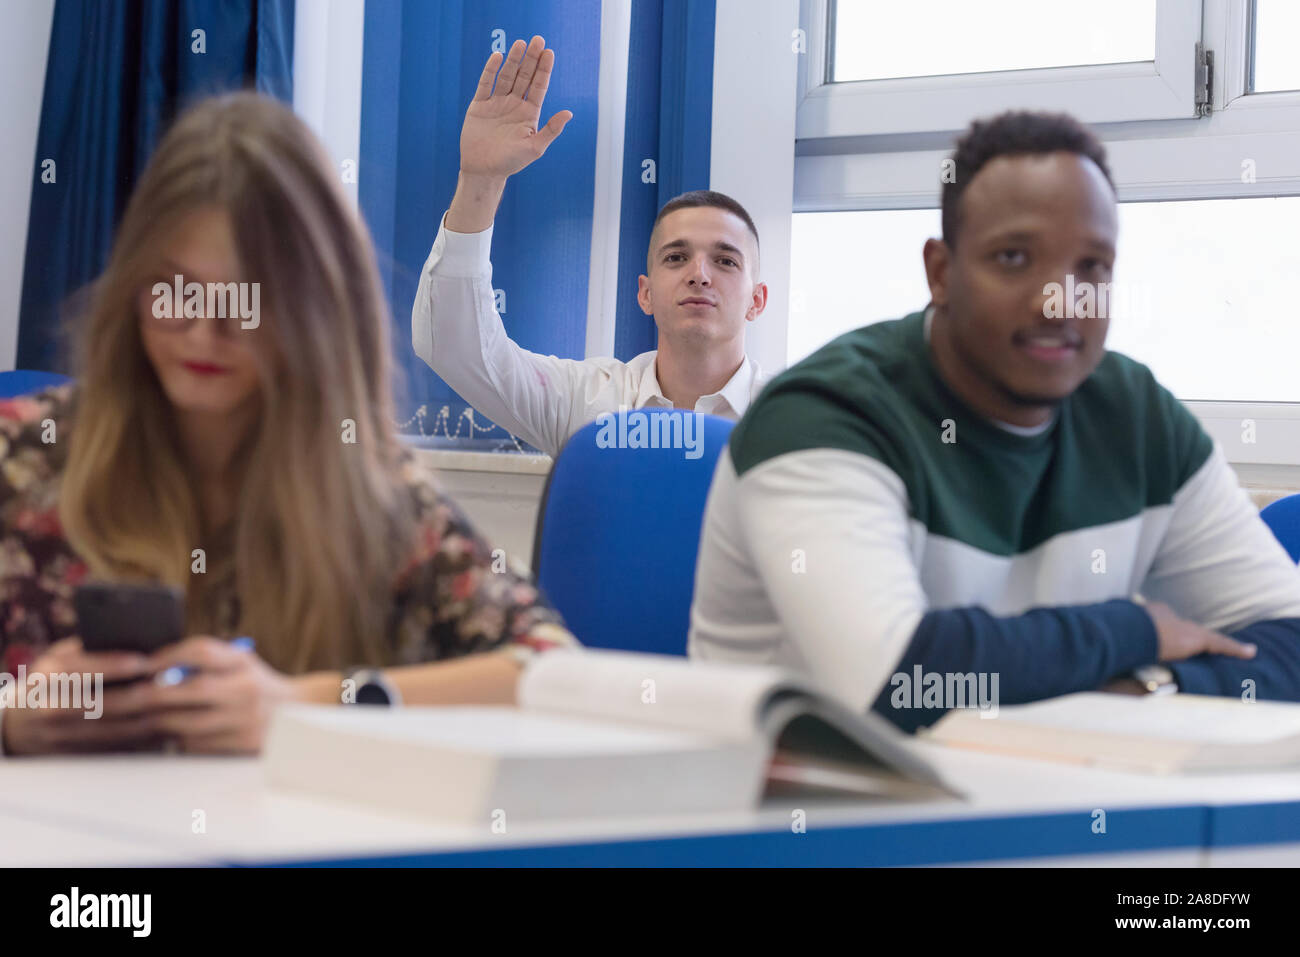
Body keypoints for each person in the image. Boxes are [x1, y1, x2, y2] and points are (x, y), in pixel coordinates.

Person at [0, 92, 575, 757]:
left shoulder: (373, 492)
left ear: (314, 312)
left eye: (246, 298)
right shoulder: (23, 454)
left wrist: (303, 704)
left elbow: (550, 670)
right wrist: (10, 714)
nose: (203, 331)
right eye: (174, 289)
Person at [689, 110, 1300, 731]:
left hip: (1044, 797)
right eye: (1014, 258)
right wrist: (1134, 628)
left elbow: (1293, 641)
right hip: (804, 812)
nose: (1059, 298)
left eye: (1092, 265)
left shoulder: (1138, 417)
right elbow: (900, 679)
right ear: (941, 273)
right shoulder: (822, 414)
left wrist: (1152, 686)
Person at [411, 35, 769, 457]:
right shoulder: (585, 406)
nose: (699, 274)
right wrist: (481, 178)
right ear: (645, 293)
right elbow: (456, 346)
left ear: (757, 300)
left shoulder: (798, 425)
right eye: (676, 257)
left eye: (725, 260)